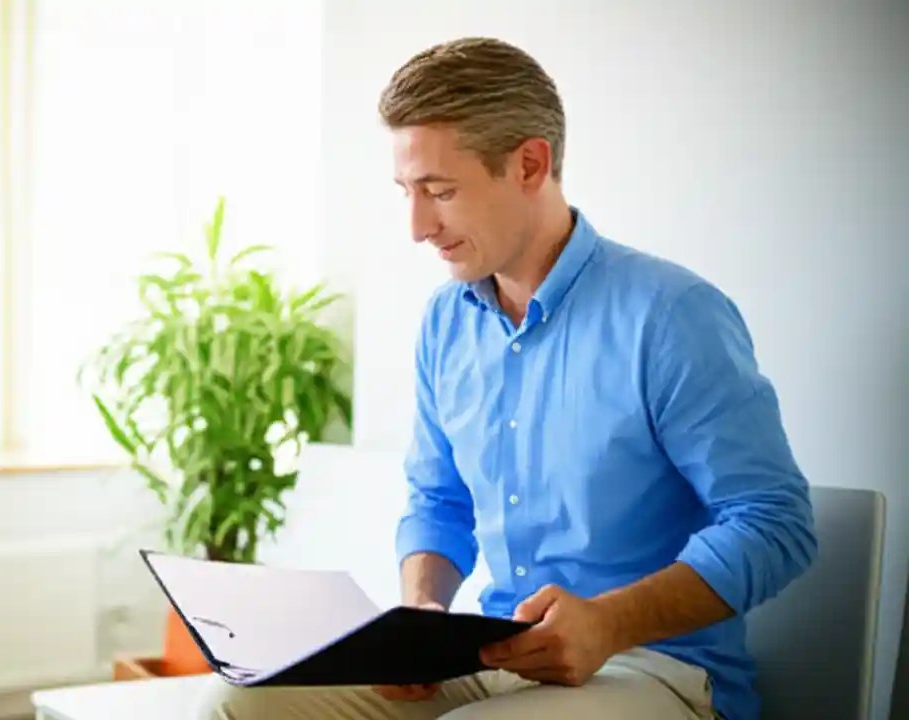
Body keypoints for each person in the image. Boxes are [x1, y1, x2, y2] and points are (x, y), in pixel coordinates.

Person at [197, 36, 816, 720]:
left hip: (655, 669)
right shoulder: (445, 322)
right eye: (407, 192)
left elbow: (775, 523)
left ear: (529, 163)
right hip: (494, 659)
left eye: (440, 191)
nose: (416, 226)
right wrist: (421, 616)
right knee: (236, 703)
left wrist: (608, 623)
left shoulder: (670, 316)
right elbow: (438, 500)